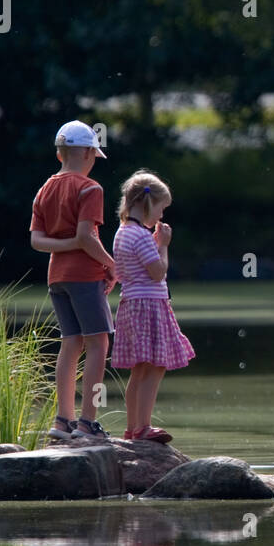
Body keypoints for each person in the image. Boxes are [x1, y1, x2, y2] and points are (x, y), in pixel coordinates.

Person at [29, 120, 117, 441]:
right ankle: (87, 423)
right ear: (84, 153)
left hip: (57, 278)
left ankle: (61, 421)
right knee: (98, 344)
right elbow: (86, 237)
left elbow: (37, 241)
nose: (94, 160)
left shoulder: (45, 188)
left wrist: (66, 246)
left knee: (70, 344)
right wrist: (111, 264)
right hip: (84, 275)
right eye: (93, 154)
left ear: (59, 154)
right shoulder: (90, 188)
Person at [110, 170, 194, 443]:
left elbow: (132, 270)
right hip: (149, 305)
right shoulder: (142, 236)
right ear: (147, 203)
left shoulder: (122, 233)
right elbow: (158, 273)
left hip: (131, 304)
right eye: (161, 208)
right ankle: (144, 427)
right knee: (155, 366)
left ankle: (133, 427)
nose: (161, 215)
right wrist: (164, 246)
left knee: (140, 368)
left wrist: (155, 244)